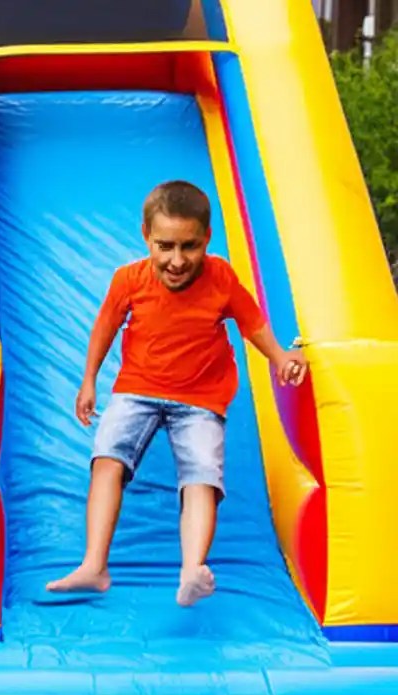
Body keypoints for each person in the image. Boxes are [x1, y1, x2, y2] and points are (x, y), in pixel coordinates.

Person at [46, 180, 308, 607]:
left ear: (207, 238)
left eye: (189, 246)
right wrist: (89, 380)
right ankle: (94, 566)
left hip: (201, 397)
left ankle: (192, 570)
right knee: (107, 459)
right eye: (165, 246)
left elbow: (251, 322)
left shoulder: (220, 276)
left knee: (202, 476)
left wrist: (279, 357)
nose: (177, 260)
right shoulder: (128, 279)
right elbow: (104, 329)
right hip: (137, 388)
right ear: (146, 236)